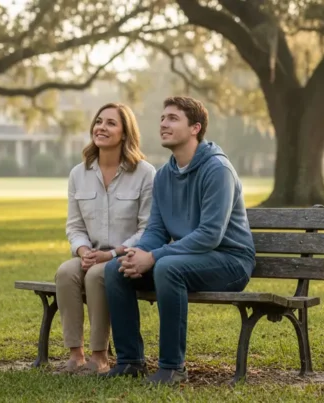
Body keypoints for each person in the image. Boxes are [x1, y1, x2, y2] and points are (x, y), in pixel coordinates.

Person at [103, 96, 256, 384]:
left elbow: (211, 235)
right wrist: (138, 253)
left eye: (173, 118)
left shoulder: (217, 170)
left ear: (195, 128)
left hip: (230, 262)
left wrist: (155, 257)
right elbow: (157, 231)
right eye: (162, 118)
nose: (163, 123)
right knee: (116, 269)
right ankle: (130, 361)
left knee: (167, 268)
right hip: (187, 260)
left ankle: (172, 368)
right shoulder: (164, 175)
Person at [55, 102, 156, 375]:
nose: (101, 127)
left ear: (125, 133)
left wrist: (112, 255)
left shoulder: (145, 173)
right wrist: (83, 250)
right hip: (92, 254)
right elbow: (74, 226)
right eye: (99, 121)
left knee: (97, 274)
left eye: (111, 123)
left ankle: (99, 357)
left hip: (125, 257)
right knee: (66, 272)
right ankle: (76, 355)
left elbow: (148, 229)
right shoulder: (79, 173)